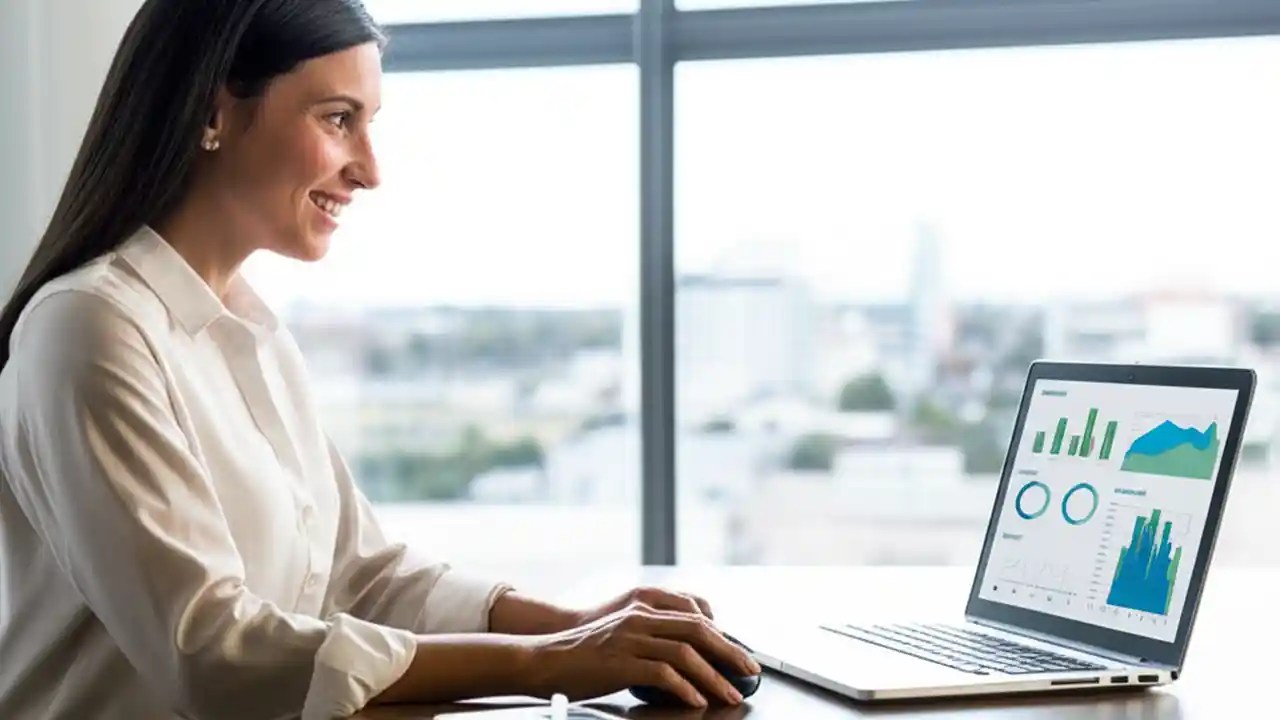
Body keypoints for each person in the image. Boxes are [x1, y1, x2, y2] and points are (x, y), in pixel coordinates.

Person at [0, 2, 759, 718]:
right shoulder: (90, 327)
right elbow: (209, 650)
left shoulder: (250, 332)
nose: (369, 168)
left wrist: (576, 622)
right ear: (213, 110)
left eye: (368, 125)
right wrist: (544, 661)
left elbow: (358, 575)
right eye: (338, 120)